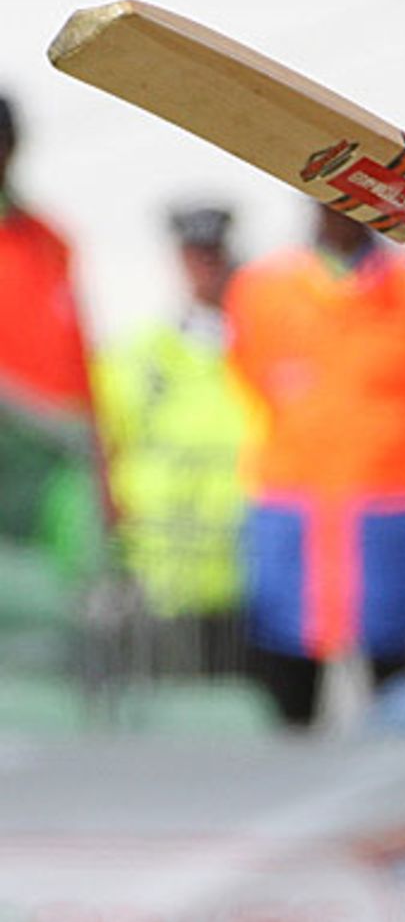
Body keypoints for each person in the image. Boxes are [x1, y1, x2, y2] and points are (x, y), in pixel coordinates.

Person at [224, 203, 405, 727]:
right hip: (296, 500)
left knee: (389, 660)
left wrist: (393, 447)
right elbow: (249, 372)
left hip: (384, 498)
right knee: (289, 661)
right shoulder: (266, 289)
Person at [92, 204, 251, 678]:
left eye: (213, 256)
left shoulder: (254, 348)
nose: (205, 270)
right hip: (158, 570)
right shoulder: (141, 354)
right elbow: (101, 441)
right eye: (195, 257)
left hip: (238, 572)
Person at [0, 91, 105, 604]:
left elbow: (80, 364)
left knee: (64, 614)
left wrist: (104, 470)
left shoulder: (48, 241)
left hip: (56, 475)